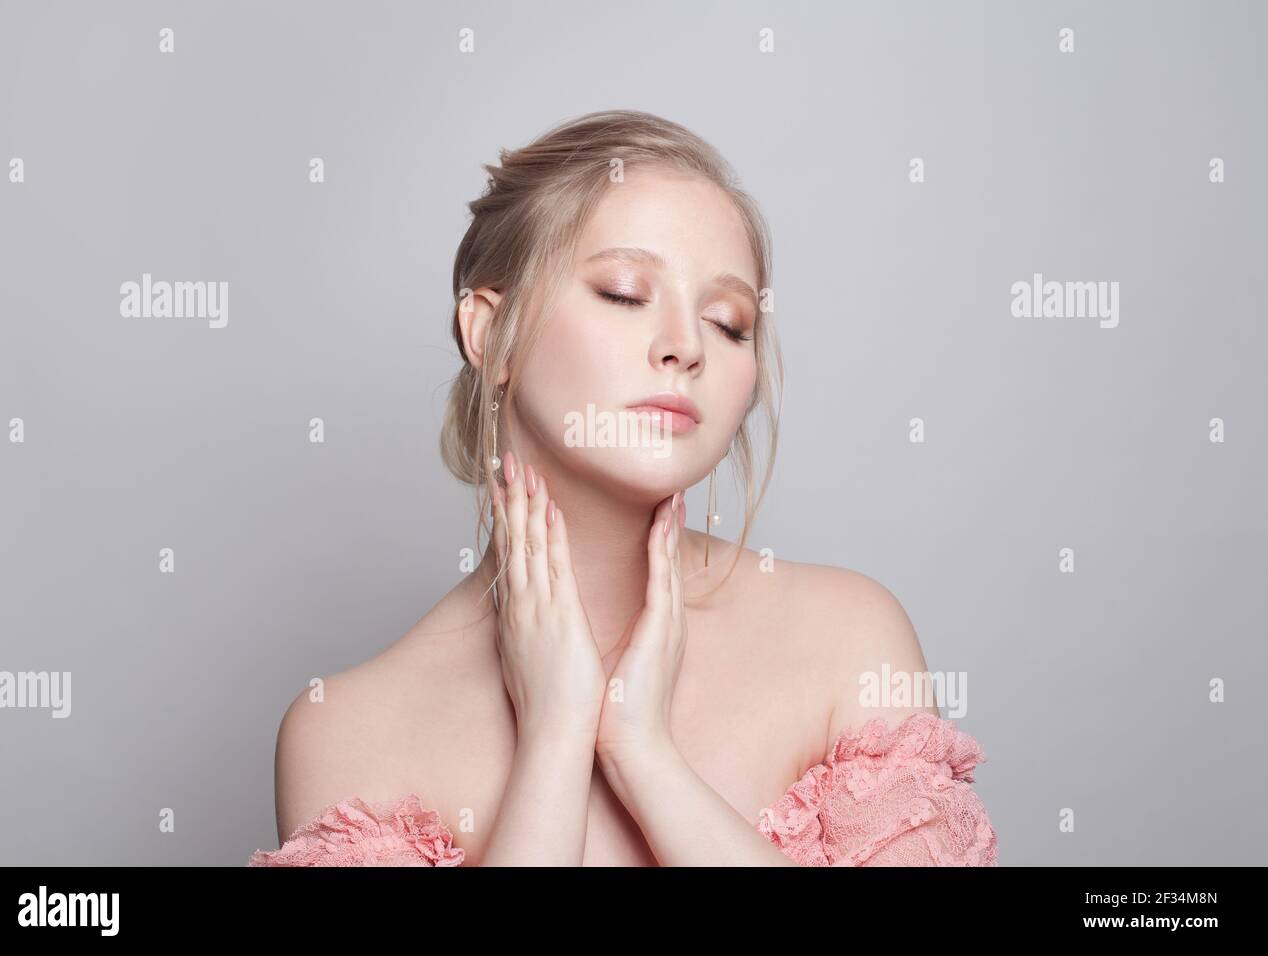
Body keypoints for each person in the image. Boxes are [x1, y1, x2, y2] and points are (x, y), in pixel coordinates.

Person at [248, 109, 997, 866]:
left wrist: (644, 755)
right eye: (625, 292)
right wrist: (554, 740)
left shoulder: (848, 639)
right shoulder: (346, 731)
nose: (684, 346)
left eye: (728, 322)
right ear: (489, 335)